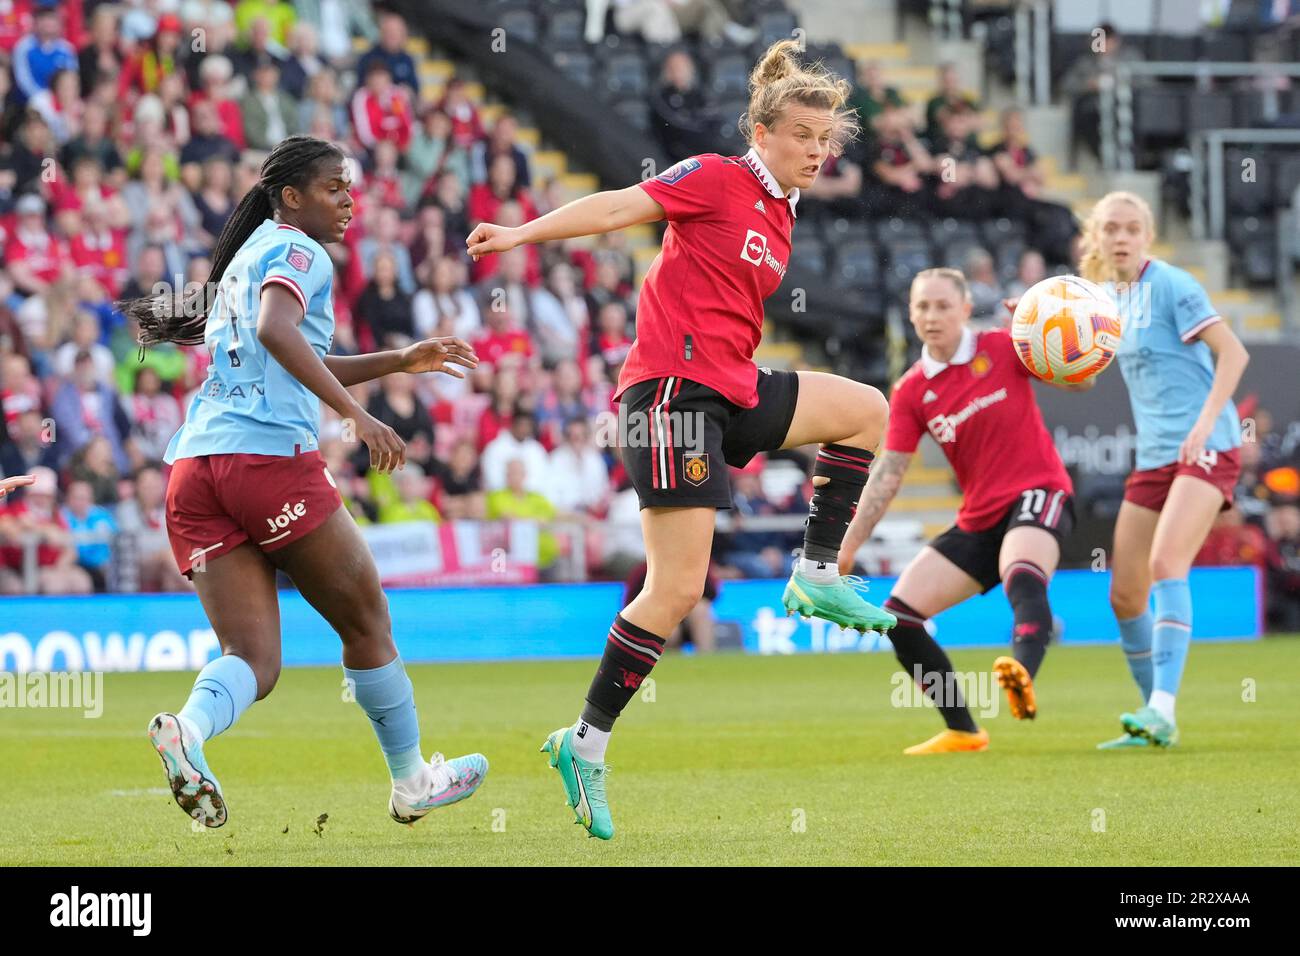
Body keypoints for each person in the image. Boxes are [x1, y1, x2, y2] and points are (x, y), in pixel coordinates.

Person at [467, 41, 894, 840]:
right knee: (676, 591)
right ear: (761, 133)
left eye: (825, 138)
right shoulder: (715, 177)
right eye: (803, 134)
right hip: (668, 397)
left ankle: (816, 570)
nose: (817, 150)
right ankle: (584, 746)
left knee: (868, 408)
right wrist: (520, 235)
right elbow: (616, 208)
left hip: (730, 387)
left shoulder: (780, 208)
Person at [117, 135, 488, 829]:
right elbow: (276, 331)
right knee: (367, 619)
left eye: (349, 188)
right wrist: (358, 417)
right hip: (266, 465)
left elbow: (289, 350)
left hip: (195, 471)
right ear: (292, 197)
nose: (349, 202)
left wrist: (400, 360)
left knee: (252, 660)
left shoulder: (248, 255)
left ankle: (188, 732)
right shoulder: (300, 250)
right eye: (334, 189)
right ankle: (412, 782)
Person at [840, 269, 1089, 753]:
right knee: (900, 616)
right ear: (910, 314)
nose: (932, 317)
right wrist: (847, 545)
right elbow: (889, 473)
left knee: (1020, 572)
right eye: (922, 307)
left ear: (965, 308)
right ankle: (964, 730)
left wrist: (1038, 335)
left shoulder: (1002, 346)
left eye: (942, 306)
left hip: (1039, 492)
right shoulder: (912, 390)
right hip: (980, 517)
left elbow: (1081, 382)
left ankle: (1023, 673)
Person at [1079, 192, 1250, 749]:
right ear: (1098, 238)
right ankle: (1158, 721)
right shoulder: (1105, 300)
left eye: (1131, 228)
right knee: (1126, 594)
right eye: (1111, 229)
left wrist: (1204, 424)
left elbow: (1234, 354)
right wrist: (1036, 334)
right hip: (1155, 456)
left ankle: (1161, 708)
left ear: (1147, 235)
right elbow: (1079, 375)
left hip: (1209, 445)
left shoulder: (1173, 285)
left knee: (1165, 563)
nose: (1121, 237)